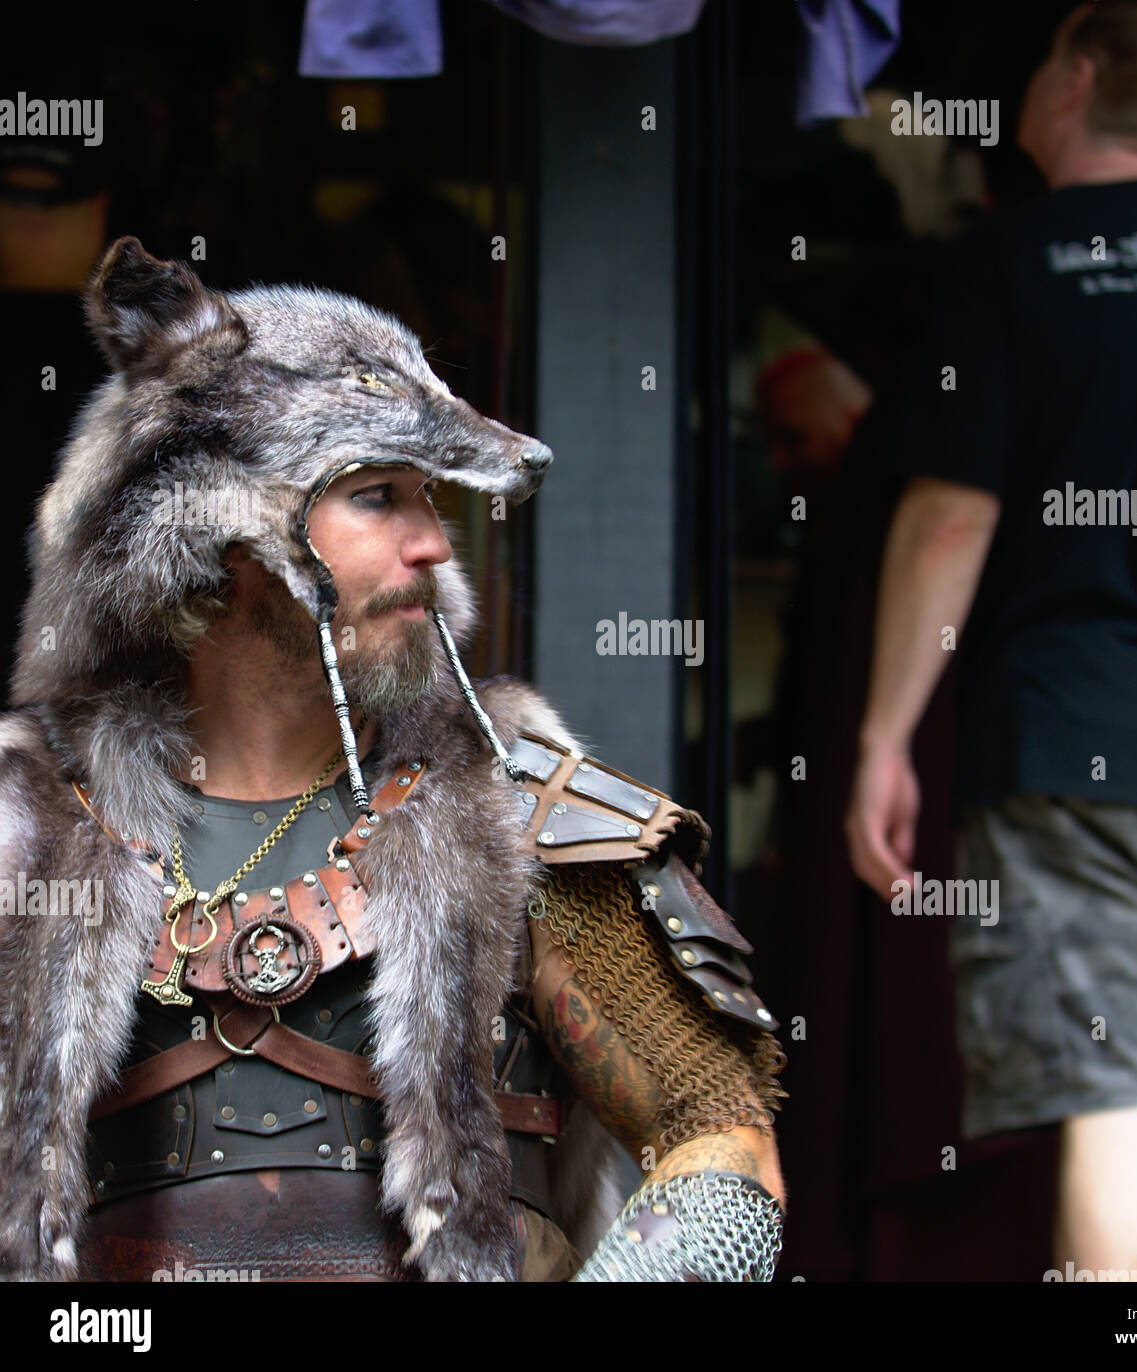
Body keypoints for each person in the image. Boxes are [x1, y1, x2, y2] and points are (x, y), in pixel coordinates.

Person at [0, 236, 784, 1283]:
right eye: (378, 496)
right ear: (217, 532)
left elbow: (718, 1139)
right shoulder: (25, 824)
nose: (435, 544)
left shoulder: (522, 815)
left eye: (431, 497)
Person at [845, 0, 1137, 1274]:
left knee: (1112, 1093)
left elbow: (949, 518)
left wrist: (884, 737)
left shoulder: (1013, 257)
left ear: (1082, 72)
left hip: (1064, 747)